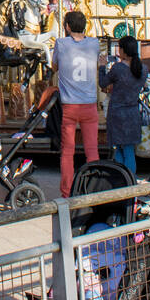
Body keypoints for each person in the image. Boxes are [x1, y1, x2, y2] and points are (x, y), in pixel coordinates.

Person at [54, 10, 100, 198]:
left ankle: (67, 191)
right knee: (92, 150)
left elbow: (54, 66)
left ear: (67, 27)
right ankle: (94, 188)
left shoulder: (61, 43)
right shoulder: (94, 43)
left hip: (69, 105)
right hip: (89, 104)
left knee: (67, 151)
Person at [99, 35, 147, 176]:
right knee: (129, 149)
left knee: (119, 149)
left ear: (123, 51)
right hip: (133, 113)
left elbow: (103, 83)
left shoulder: (118, 68)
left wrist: (102, 67)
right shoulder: (143, 69)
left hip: (117, 113)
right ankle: (129, 180)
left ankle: (122, 180)